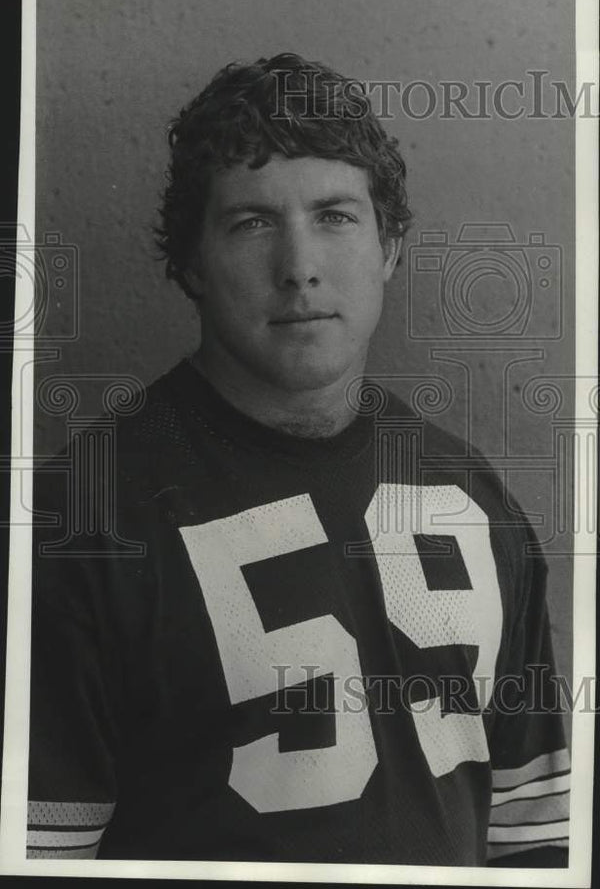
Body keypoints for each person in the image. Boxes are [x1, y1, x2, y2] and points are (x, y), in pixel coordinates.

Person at [28, 53, 570, 865]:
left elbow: (534, 837)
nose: (300, 268)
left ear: (390, 246)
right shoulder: (80, 518)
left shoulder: (472, 497)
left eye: (336, 217)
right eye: (251, 223)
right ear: (188, 264)